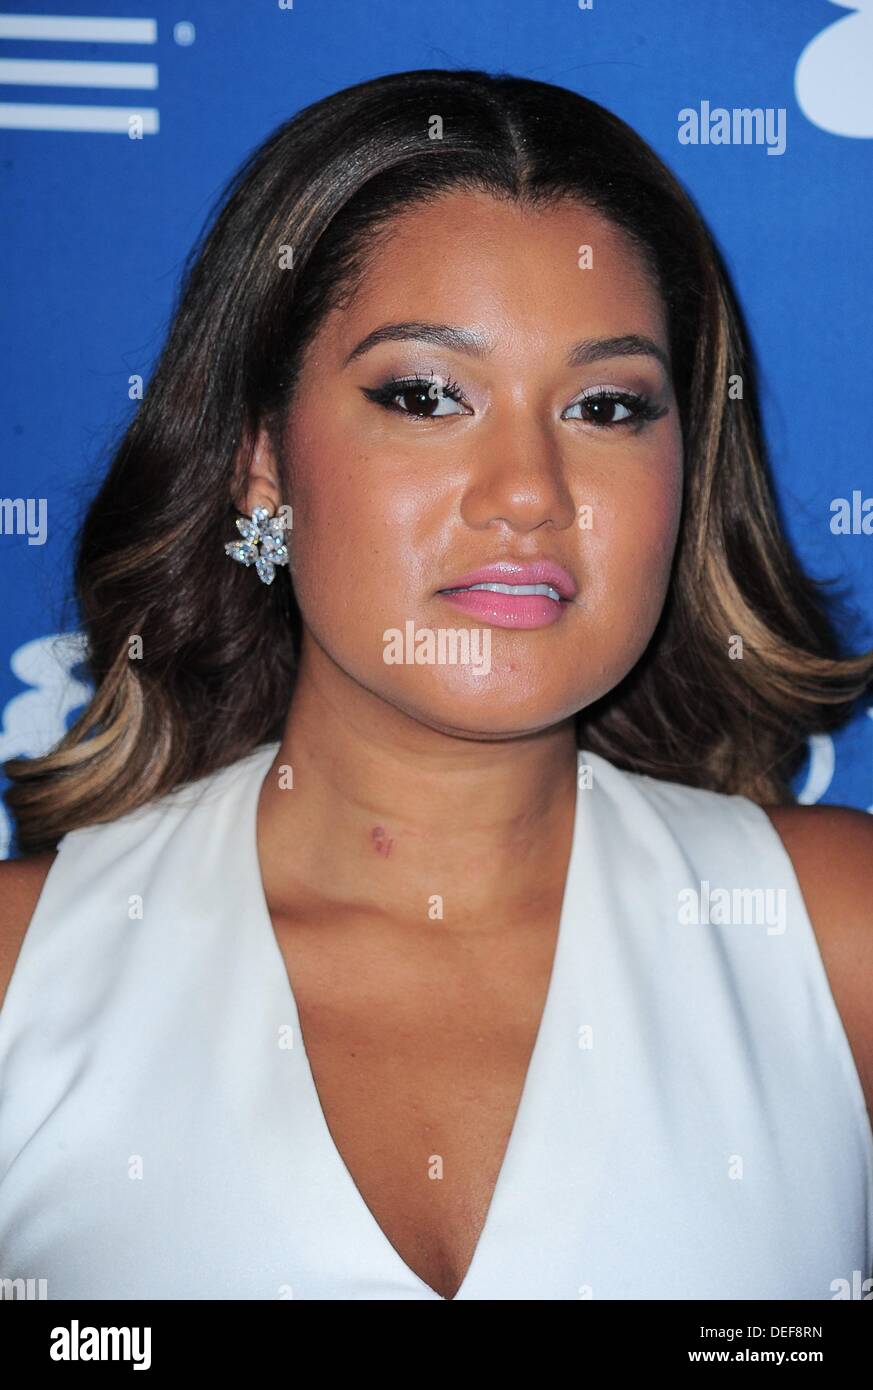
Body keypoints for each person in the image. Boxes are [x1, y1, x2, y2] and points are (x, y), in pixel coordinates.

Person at [1, 68, 871, 1302]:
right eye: (425, 395)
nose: (526, 490)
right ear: (261, 463)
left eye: (608, 405)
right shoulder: (22, 976)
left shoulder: (838, 946)